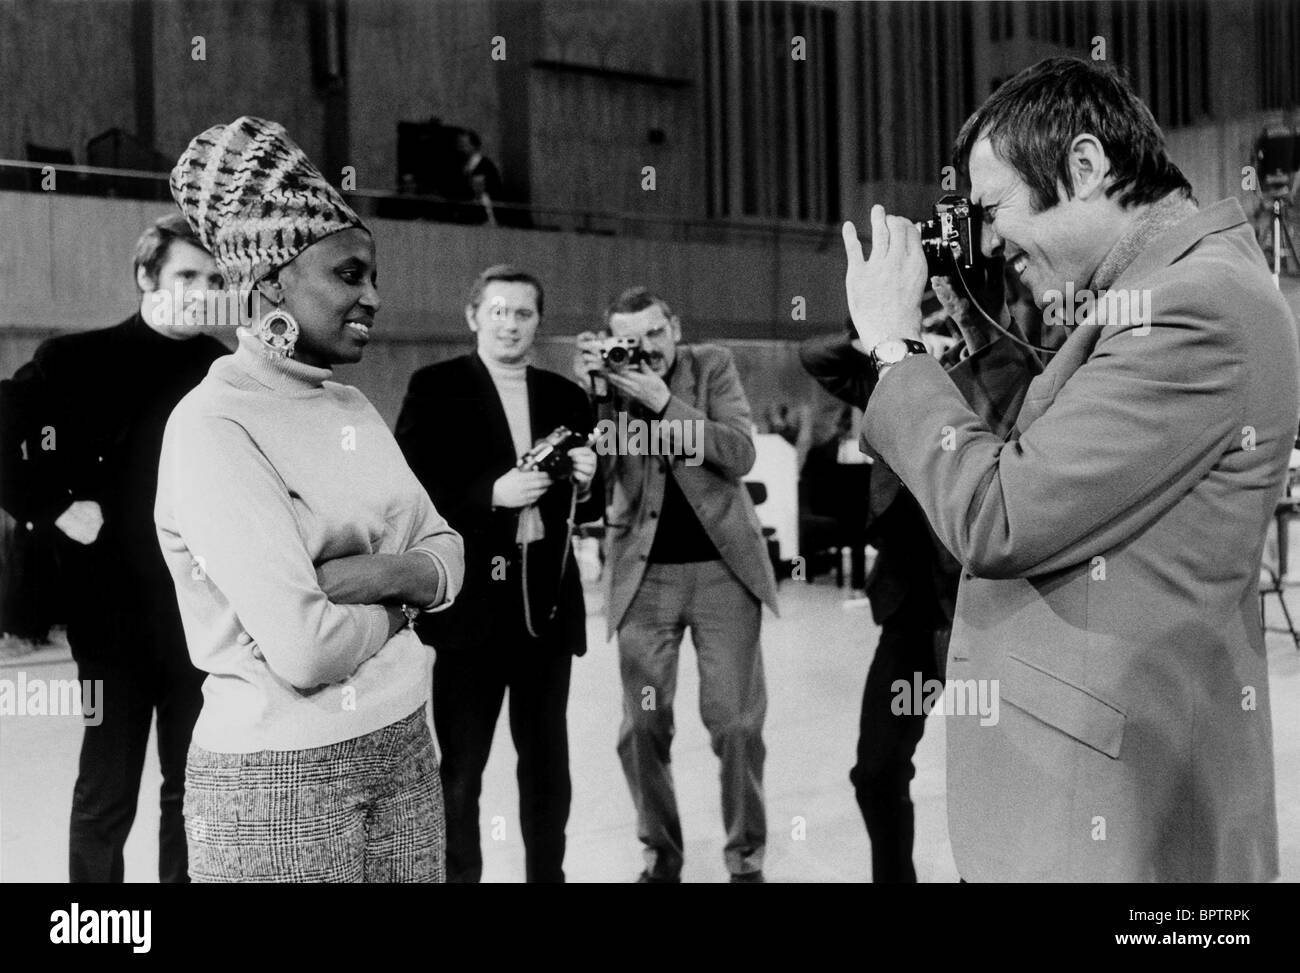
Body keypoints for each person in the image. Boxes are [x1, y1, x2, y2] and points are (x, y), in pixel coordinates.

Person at [843, 56, 1300, 881]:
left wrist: (894, 347)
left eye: (992, 209)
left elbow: (999, 515)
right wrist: (979, 340)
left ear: (1084, 166)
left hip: (1110, 815)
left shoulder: (1190, 306)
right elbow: (1060, 467)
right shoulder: (1165, 289)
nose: (985, 241)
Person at [155, 116, 464, 882]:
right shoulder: (213, 424)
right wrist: (406, 597)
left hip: (403, 743)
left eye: (373, 276)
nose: (374, 297)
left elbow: (450, 551)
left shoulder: (352, 408)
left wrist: (375, 578)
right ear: (269, 286)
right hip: (279, 778)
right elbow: (305, 648)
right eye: (349, 275)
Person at [0, 214, 228, 883]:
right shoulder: (75, 359)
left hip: (201, 615)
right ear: (145, 278)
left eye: (215, 279)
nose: (202, 291)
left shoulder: (223, 369)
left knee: (194, 791)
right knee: (108, 790)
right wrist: (49, 508)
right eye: (187, 275)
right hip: (112, 620)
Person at [800, 306, 1036, 882]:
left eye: (947, 319)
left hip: (978, 609)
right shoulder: (893, 380)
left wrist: (960, 346)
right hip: (909, 605)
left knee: (994, 775)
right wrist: (887, 338)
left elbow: (1020, 365)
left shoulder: (1001, 377)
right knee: (876, 770)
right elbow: (817, 358)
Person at [394, 265, 600, 883]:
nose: (511, 323)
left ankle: (548, 877)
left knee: (546, 767)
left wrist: (590, 482)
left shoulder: (568, 398)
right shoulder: (436, 386)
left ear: (538, 322)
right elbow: (412, 495)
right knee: (460, 768)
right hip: (471, 615)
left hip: (545, 612)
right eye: (500, 310)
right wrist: (491, 495)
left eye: (524, 313)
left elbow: (581, 510)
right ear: (473, 315)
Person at [575, 288, 778, 883]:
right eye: (630, 338)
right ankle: (661, 858)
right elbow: (600, 479)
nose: (647, 348)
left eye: (656, 333)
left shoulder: (710, 365)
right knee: (642, 725)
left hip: (723, 573)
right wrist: (598, 399)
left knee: (737, 723)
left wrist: (664, 403)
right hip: (645, 576)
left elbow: (738, 453)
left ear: (675, 328)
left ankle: (745, 862)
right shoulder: (610, 383)